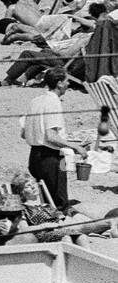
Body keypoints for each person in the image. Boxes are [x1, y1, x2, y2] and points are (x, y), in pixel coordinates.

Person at [23, 68, 87, 208]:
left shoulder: (36, 101)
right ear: (59, 83)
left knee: (46, 201)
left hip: (34, 156)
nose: (68, 84)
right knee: (59, 203)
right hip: (51, 157)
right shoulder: (53, 103)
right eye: (66, 81)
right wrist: (75, 146)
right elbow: (51, 137)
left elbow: (23, 133)